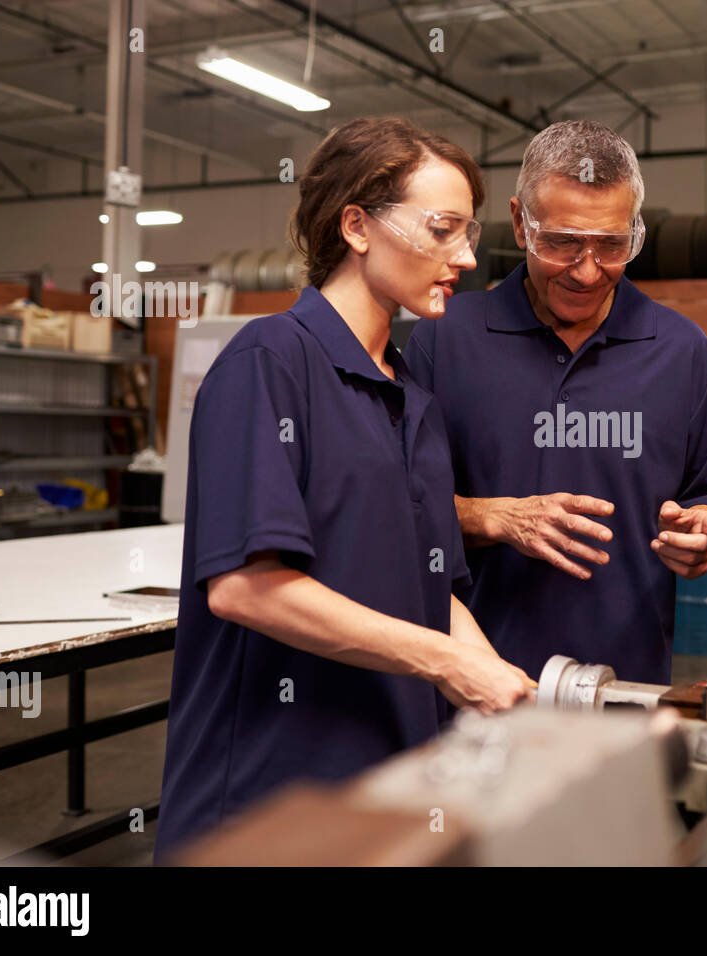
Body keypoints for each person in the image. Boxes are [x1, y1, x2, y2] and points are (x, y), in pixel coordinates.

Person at [155, 117, 533, 860]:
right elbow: (246, 588)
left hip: (392, 787)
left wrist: (499, 687)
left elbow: (431, 589)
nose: (464, 256)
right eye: (442, 228)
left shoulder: (411, 394)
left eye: (469, 232)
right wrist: (448, 664)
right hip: (271, 801)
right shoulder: (267, 365)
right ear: (357, 225)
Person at [404, 120, 707, 687]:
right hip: (472, 682)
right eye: (561, 242)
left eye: (612, 246)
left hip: (627, 686)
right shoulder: (444, 340)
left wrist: (703, 530)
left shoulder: (684, 354)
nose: (587, 271)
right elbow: (397, 502)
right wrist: (493, 517)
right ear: (519, 223)